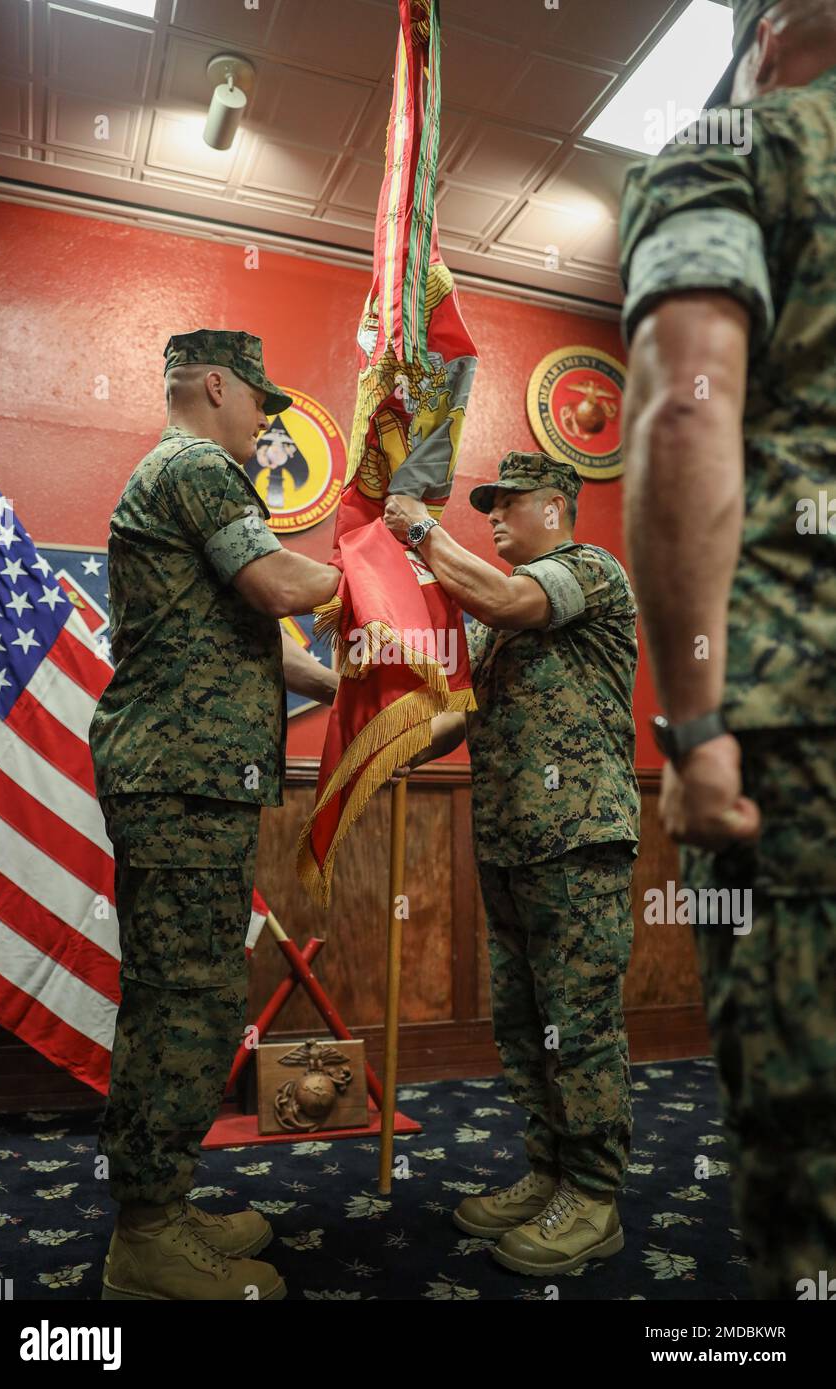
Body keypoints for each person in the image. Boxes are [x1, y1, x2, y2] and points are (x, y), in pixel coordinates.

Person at [619, 0, 836, 1299]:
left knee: (810, 1142)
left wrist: (696, 726)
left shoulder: (731, 143)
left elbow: (685, 409)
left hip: (795, 713)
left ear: (764, 32)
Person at [89, 329, 341, 1301]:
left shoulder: (180, 473)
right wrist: (369, 572)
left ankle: (164, 1201)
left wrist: (332, 681)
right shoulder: (196, 464)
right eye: (261, 405)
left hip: (195, 778)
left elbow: (255, 632)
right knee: (184, 998)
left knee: (189, 992)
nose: (266, 425)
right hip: (182, 780)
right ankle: (146, 1234)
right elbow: (278, 585)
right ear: (214, 386)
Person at [384, 451, 640, 1276]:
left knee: (581, 1024)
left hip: (578, 836)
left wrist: (422, 529)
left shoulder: (584, 573)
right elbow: (462, 715)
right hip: (511, 841)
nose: (493, 515)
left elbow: (498, 594)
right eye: (486, 506)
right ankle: (549, 1175)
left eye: (510, 503)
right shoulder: (501, 619)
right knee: (527, 1024)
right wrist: (389, 751)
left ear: (558, 507)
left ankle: (595, 1200)